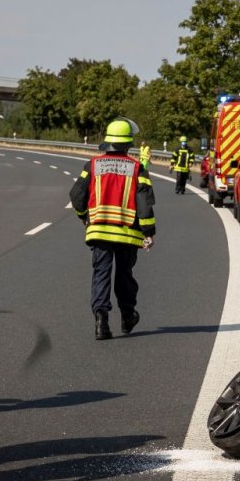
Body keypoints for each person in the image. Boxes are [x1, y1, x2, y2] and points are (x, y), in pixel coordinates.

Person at [71, 119, 155, 340]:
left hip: (99, 231)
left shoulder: (92, 165)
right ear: (128, 144)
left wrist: (83, 217)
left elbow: (76, 195)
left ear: (107, 142)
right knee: (124, 275)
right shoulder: (138, 168)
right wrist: (148, 232)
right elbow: (145, 202)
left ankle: (101, 321)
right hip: (127, 232)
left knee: (101, 274)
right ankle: (127, 316)